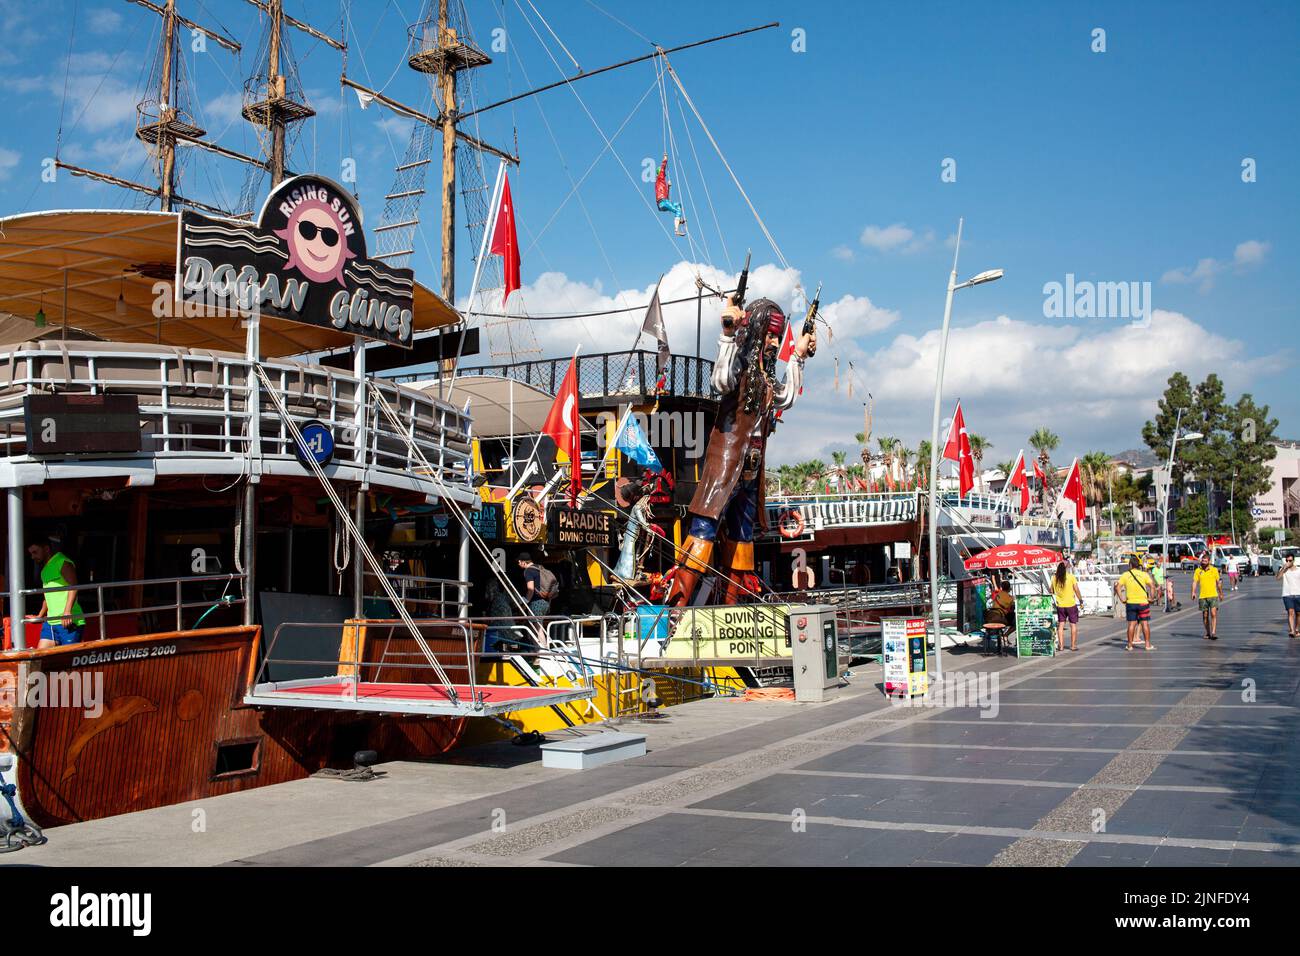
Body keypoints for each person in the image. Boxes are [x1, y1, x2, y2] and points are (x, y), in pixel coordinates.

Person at [666, 296, 815, 606]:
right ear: (757, 332)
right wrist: (728, 335)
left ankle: (731, 607)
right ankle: (677, 607)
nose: (774, 342)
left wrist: (797, 357)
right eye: (770, 335)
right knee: (704, 527)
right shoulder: (741, 367)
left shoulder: (767, 376)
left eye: (777, 336)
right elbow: (720, 380)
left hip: (751, 468)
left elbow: (786, 398)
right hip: (726, 464)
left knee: (742, 534)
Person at [26, 537, 85, 647]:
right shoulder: (44, 570)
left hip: (68, 621)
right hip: (50, 622)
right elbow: (47, 596)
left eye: (35, 552)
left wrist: (67, 612)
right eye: (31, 554)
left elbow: (74, 586)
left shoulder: (62, 561)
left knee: (67, 659)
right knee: (39, 658)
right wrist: (40, 615)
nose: (32, 557)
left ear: (46, 549)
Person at [1115, 555, 1156, 651]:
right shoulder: (1144, 574)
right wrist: (1151, 597)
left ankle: (1129, 645)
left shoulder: (1125, 575)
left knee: (1131, 624)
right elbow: (1152, 586)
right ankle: (1147, 645)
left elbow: (1118, 587)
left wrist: (1122, 599)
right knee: (1145, 623)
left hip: (1131, 603)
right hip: (1143, 603)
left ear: (1130, 565)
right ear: (1138, 565)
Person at [1052, 560, 1084, 651]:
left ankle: (1061, 646)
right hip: (1070, 604)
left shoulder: (1054, 578)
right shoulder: (1071, 577)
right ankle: (1073, 646)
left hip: (1060, 605)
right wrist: (1081, 600)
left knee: (1061, 625)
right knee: (1073, 625)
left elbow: (1051, 590)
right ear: (1066, 569)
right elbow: (1076, 590)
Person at [1191, 552, 1223, 641]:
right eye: (1202, 560)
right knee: (1205, 616)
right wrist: (1193, 592)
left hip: (1213, 595)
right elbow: (1194, 582)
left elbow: (1218, 583)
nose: (1203, 562)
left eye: (1205, 561)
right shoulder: (1198, 571)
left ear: (1208, 561)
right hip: (1202, 596)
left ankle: (1213, 632)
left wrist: (1220, 593)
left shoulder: (1214, 570)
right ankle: (1208, 632)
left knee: (1213, 614)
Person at [654, 154, 687, 235]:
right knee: (677, 211)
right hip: (663, 202)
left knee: (678, 205)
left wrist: (668, 187)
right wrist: (665, 159)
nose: (664, 174)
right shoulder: (660, 178)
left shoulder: (661, 183)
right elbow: (662, 169)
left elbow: (666, 197)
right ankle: (676, 230)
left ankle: (678, 220)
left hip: (663, 203)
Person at [517, 552, 558, 617]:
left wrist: (524, 606)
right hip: (546, 603)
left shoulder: (528, 571)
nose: (518, 564)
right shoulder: (539, 567)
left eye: (519, 562)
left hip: (536, 603)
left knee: (537, 626)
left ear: (523, 562)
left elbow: (531, 590)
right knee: (531, 625)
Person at [1275, 553, 1300, 638]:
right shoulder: (1284, 570)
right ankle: (1292, 631)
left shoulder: (1299, 570)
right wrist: (1283, 569)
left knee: (1298, 613)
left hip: (1298, 594)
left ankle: (1296, 629)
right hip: (1287, 594)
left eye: (1290, 560)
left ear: (1293, 561)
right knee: (1290, 612)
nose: (1288, 562)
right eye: (1287, 560)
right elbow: (1277, 578)